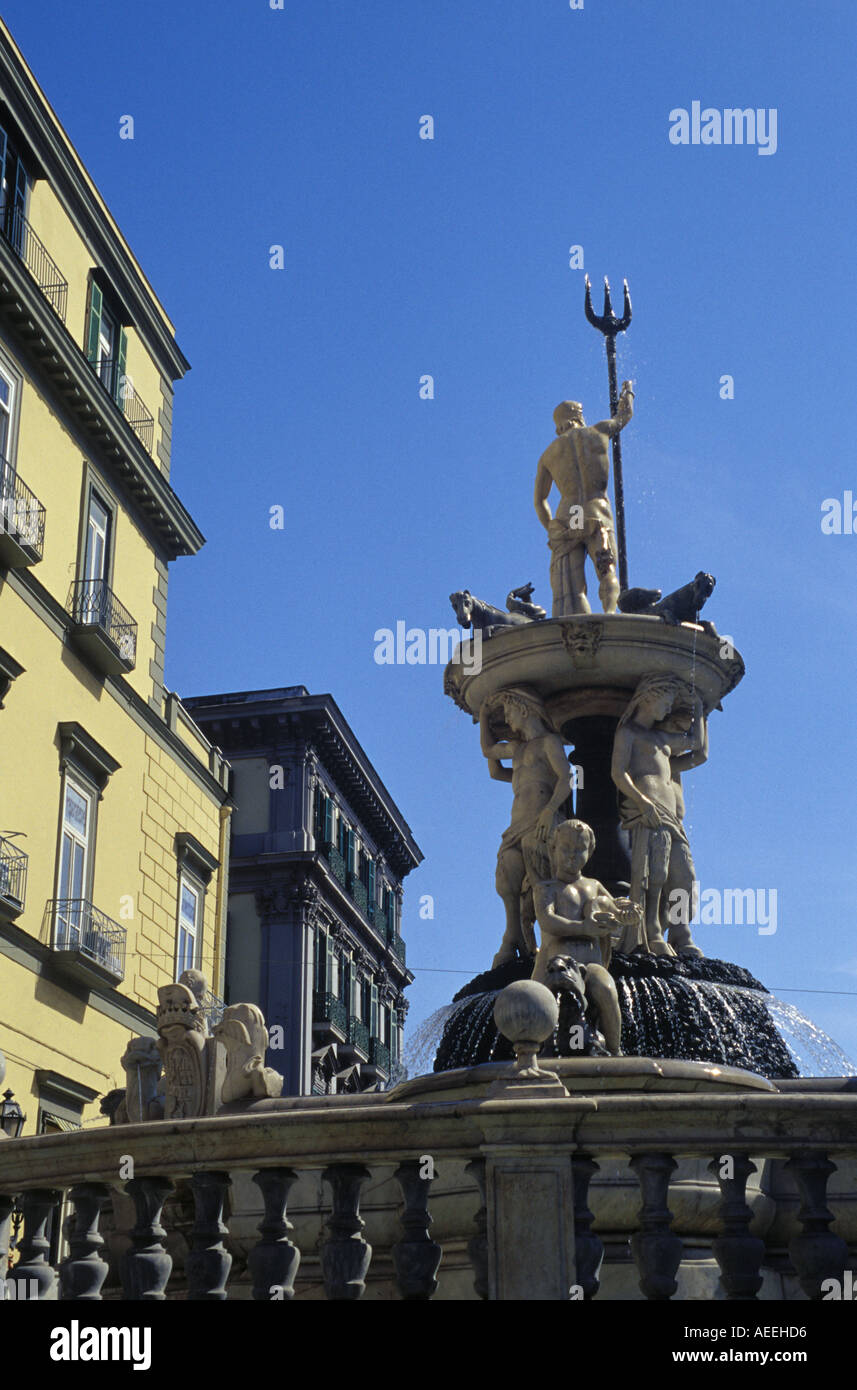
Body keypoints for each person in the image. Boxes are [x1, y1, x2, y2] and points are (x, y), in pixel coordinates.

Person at [610, 674, 705, 957]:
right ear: (648, 698)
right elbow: (618, 773)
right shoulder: (628, 733)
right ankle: (650, 931)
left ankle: (680, 931)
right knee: (654, 874)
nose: (667, 709)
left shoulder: (661, 738)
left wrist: (701, 708)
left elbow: (697, 746)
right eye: (665, 702)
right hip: (648, 810)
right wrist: (641, 802)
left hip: (670, 817)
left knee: (684, 876)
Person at [480, 686, 573, 967]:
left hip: (541, 822)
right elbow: (492, 762)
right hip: (516, 826)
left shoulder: (549, 743)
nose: (507, 720)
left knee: (541, 881)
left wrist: (550, 812)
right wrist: (484, 716)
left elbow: (567, 778)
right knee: (507, 877)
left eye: (509, 712)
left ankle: (548, 940)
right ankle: (514, 936)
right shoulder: (518, 749)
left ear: (524, 710)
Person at [527, 819, 636, 1057]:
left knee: (607, 990)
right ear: (552, 849)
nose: (572, 856)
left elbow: (615, 913)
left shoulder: (594, 886)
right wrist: (586, 927)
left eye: (580, 850)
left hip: (591, 965)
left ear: (590, 852)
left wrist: (626, 916)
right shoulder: (546, 888)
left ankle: (615, 1051)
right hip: (554, 965)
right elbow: (548, 921)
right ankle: (533, 1052)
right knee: (535, 1005)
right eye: (566, 849)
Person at [533, 382, 634, 617]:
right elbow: (624, 416)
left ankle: (577, 622)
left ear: (558, 425)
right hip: (596, 510)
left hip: (569, 515)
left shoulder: (548, 455)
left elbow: (540, 501)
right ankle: (609, 615)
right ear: (578, 417)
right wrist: (628, 391)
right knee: (606, 570)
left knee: (573, 584)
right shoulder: (598, 431)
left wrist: (551, 528)